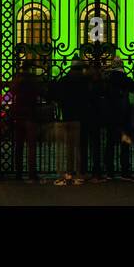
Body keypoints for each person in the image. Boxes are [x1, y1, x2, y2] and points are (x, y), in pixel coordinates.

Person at [49, 56, 86, 185]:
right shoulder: (84, 81)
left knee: (66, 148)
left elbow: (55, 95)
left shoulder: (63, 80)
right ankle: (78, 174)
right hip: (78, 118)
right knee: (78, 148)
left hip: (65, 116)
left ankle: (65, 174)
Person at [7, 58, 44, 181]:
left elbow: (10, 92)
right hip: (31, 114)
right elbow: (41, 92)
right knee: (31, 147)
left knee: (19, 146)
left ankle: (18, 173)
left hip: (19, 115)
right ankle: (32, 173)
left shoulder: (18, 78)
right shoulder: (34, 79)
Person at [102, 56, 133, 179]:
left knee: (110, 143)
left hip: (111, 116)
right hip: (124, 115)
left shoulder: (108, 79)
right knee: (124, 144)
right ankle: (125, 170)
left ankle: (109, 171)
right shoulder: (125, 79)